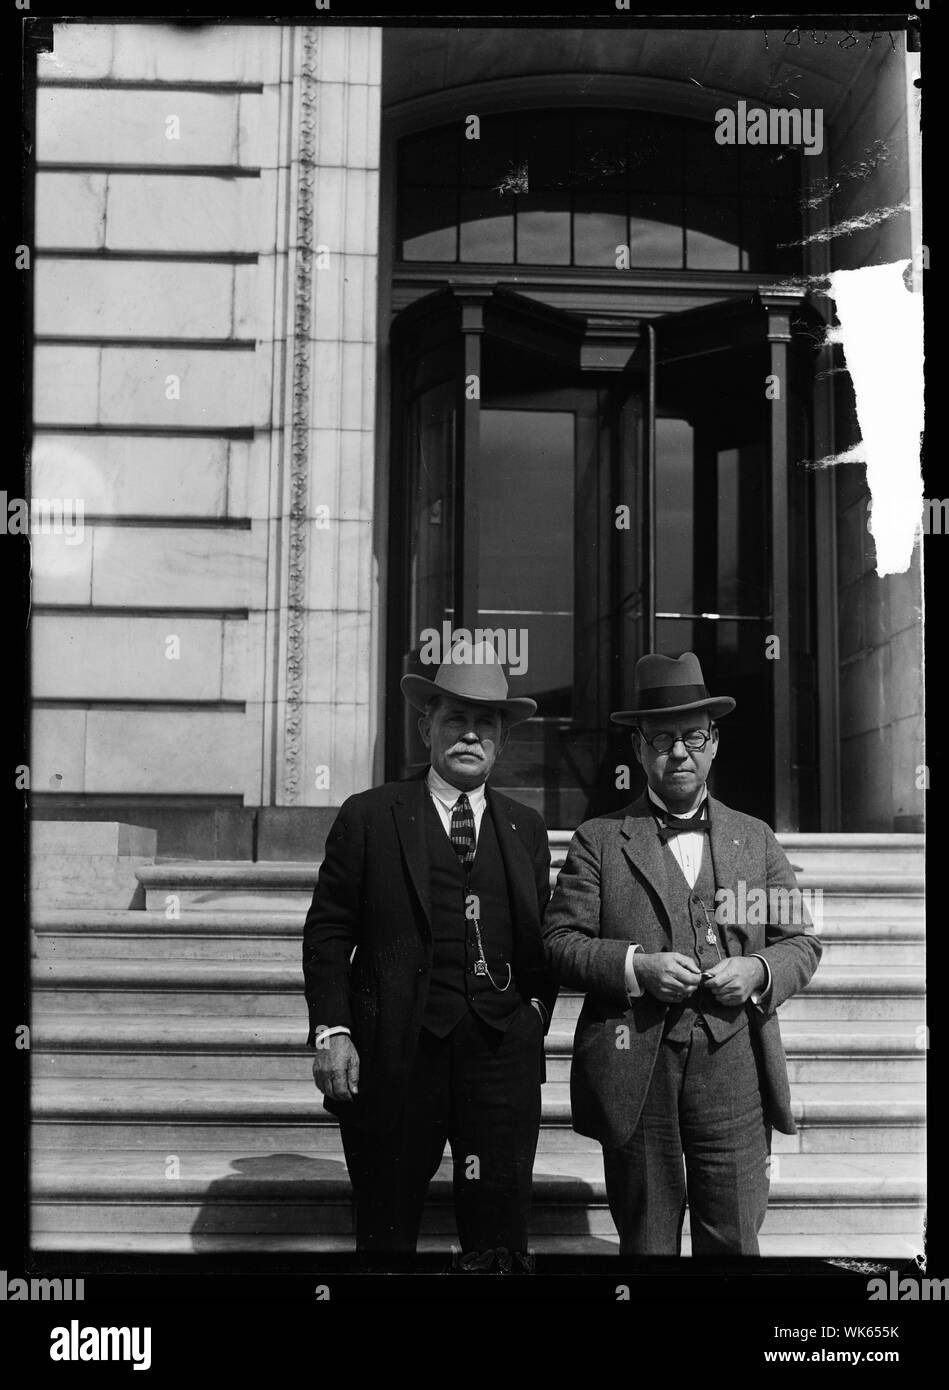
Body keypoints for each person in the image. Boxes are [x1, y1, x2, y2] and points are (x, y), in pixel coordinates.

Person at [542, 651, 822, 1256]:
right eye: (662, 738)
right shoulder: (600, 841)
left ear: (714, 743)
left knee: (734, 1237)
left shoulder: (755, 839)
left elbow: (801, 941)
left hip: (735, 1067)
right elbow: (561, 944)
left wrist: (759, 969)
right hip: (636, 1066)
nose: (679, 752)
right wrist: (635, 967)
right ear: (639, 749)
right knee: (647, 1243)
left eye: (693, 736)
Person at [302, 641, 557, 1270]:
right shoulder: (370, 816)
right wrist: (333, 1029)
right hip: (396, 1054)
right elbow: (328, 932)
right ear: (426, 728)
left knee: (499, 1241)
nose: (469, 735)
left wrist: (532, 1016)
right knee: (387, 1231)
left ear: (502, 738)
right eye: (454, 720)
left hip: (499, 1059)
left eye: (485, 724)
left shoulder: (526, 829)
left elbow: (541, 943)